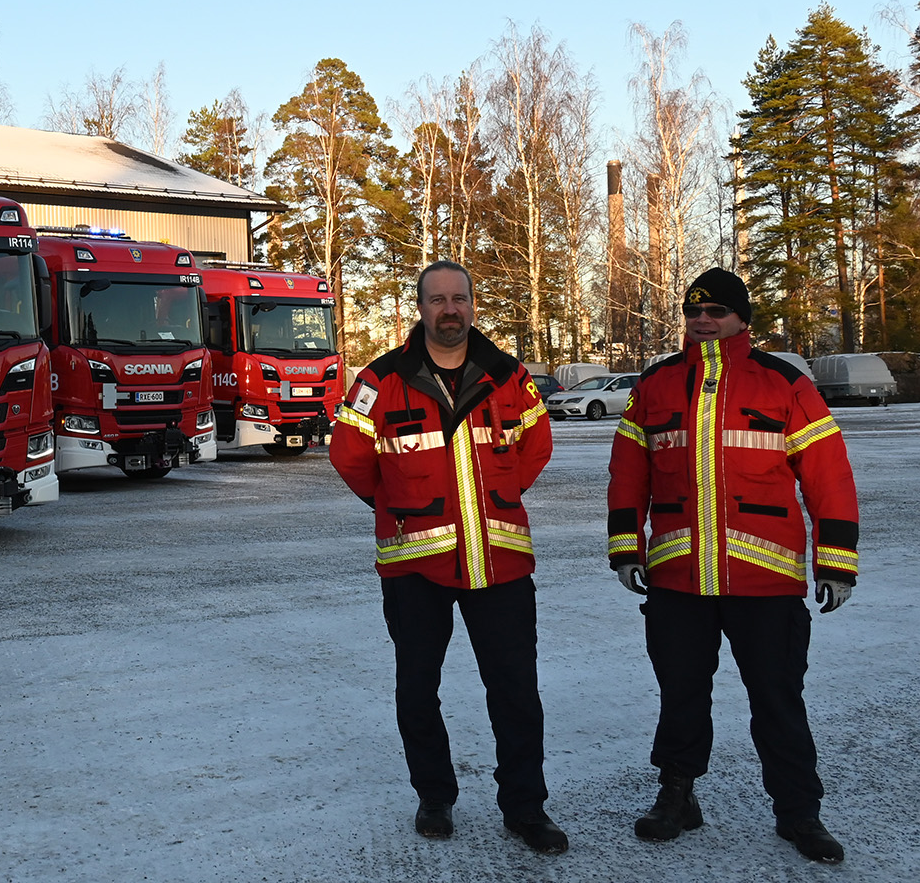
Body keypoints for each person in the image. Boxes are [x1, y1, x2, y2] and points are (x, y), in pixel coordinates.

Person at [607, 267, 859, 864]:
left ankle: (799, 812)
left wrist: (837, 563)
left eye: (716, 311)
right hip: (678, 578)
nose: (703, 321)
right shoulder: (656, 385)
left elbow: (829, 476)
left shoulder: (785, 383)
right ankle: (678, 795)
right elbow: (627, 474)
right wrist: (625, 547)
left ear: (743, 319)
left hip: (764, 581)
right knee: (681, 694)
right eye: (694, 313)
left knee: (777, 699)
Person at [330, 261, 564, 853]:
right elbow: (350, 456)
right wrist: (396, 505)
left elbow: (535, 446)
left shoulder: (510, 376)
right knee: (417, 688)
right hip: (415, 567)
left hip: (501, 563)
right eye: (438, 300)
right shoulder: (380, 380)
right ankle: (434, 796)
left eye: (459, 298)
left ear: (473, 305)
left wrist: (500, 496)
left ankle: (525, 807)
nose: (450, 309)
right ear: (421, 307)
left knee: (514, 690)